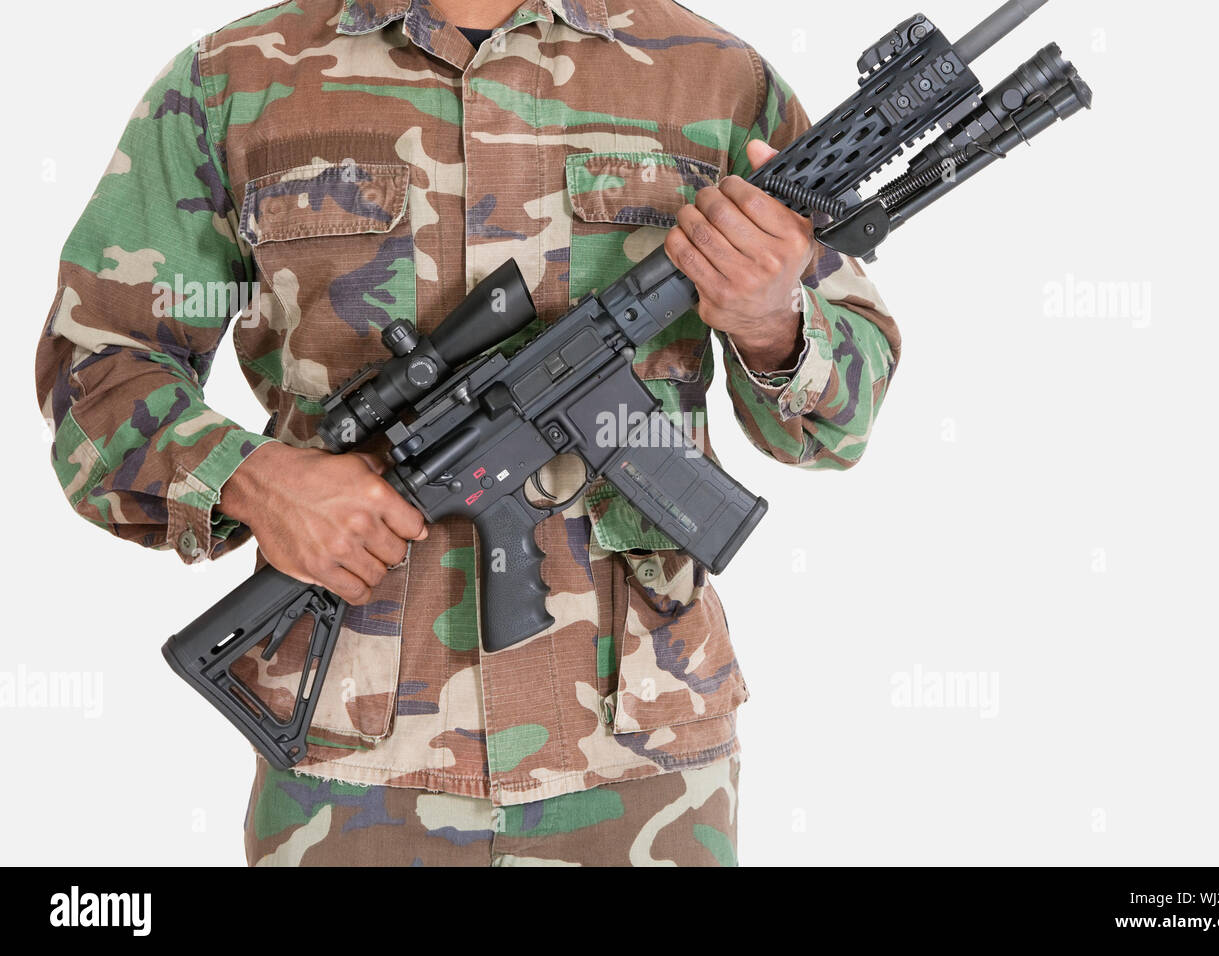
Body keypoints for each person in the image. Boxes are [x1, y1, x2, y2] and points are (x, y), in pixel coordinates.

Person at [35, 0, 901, 866]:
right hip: (351, 772)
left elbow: (842, 421)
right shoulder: (232, 79)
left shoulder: (716, 77)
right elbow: (99, 363)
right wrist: (252, 479)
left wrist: (774, 323)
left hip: (644, 766)